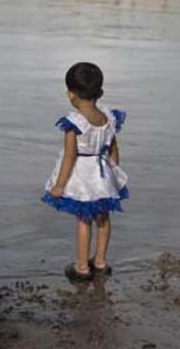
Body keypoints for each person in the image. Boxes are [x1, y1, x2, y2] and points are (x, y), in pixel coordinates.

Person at [42, 63, 129, 282]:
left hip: (82, 177)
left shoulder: (74, 123)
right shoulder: (109, 118)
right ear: (99, 93)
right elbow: (114, 149)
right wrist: (113, 173)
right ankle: (100, 262)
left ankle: (82, 267)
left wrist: (60, 185)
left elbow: (70, 157)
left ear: (70, 94)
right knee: (103, 218)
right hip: (103, 175)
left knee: (84, 220)